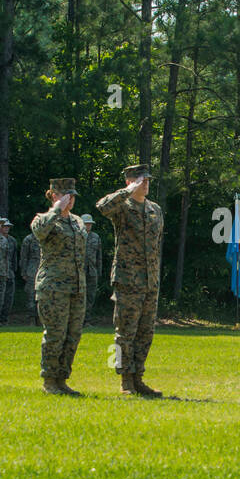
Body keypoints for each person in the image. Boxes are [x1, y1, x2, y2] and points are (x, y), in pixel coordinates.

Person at [96, 164, 164, 397]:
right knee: (125, 331)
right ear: (130, 181)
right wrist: (127, 191)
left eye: (147, 181)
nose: (145, 184)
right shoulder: (122, 207)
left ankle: (138, 377)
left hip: (150, 280)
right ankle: (125, 380)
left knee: (145, 332)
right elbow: (102, 206)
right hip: (127, 279)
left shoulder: (155, 209)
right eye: (140, 180)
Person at [32, 179, 89, 394]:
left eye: (72, 196)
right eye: (66, 195)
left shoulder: (77, 222)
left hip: (76, 287)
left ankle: (62, 379)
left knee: (72, 335)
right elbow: (39, 232)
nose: (70, 199)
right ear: (54, 195)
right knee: (55, 334)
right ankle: (49, 380)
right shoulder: (43, 220)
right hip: (53, 287)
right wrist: (56, 209)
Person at [82, 214, 102, 319]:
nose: (88, 226)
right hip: (80, 272)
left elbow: (99, 256)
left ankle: (87, 319)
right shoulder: (77, 235)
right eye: (86, 224)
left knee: (91, 296)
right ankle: (78, 320)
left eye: (90, 224)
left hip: (92, 272)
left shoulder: (96, 237)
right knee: (80, 296)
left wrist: (99, 271)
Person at [20, 225, 41, 322]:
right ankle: (32, 318)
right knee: (31, 295)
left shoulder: (47, 238)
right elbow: (24, 257)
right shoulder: (28, 239)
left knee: (42, 296)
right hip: (31, 271)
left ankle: (40, 318)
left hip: (44, 271)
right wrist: (24, 272)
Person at [0, 220, 17, 325]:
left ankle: (4, 318)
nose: (6, 228)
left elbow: (14, 257)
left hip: (9, 272)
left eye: (8, 227)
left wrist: (14, 270)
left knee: (9, 298)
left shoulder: (12, 241)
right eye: (4, 226)